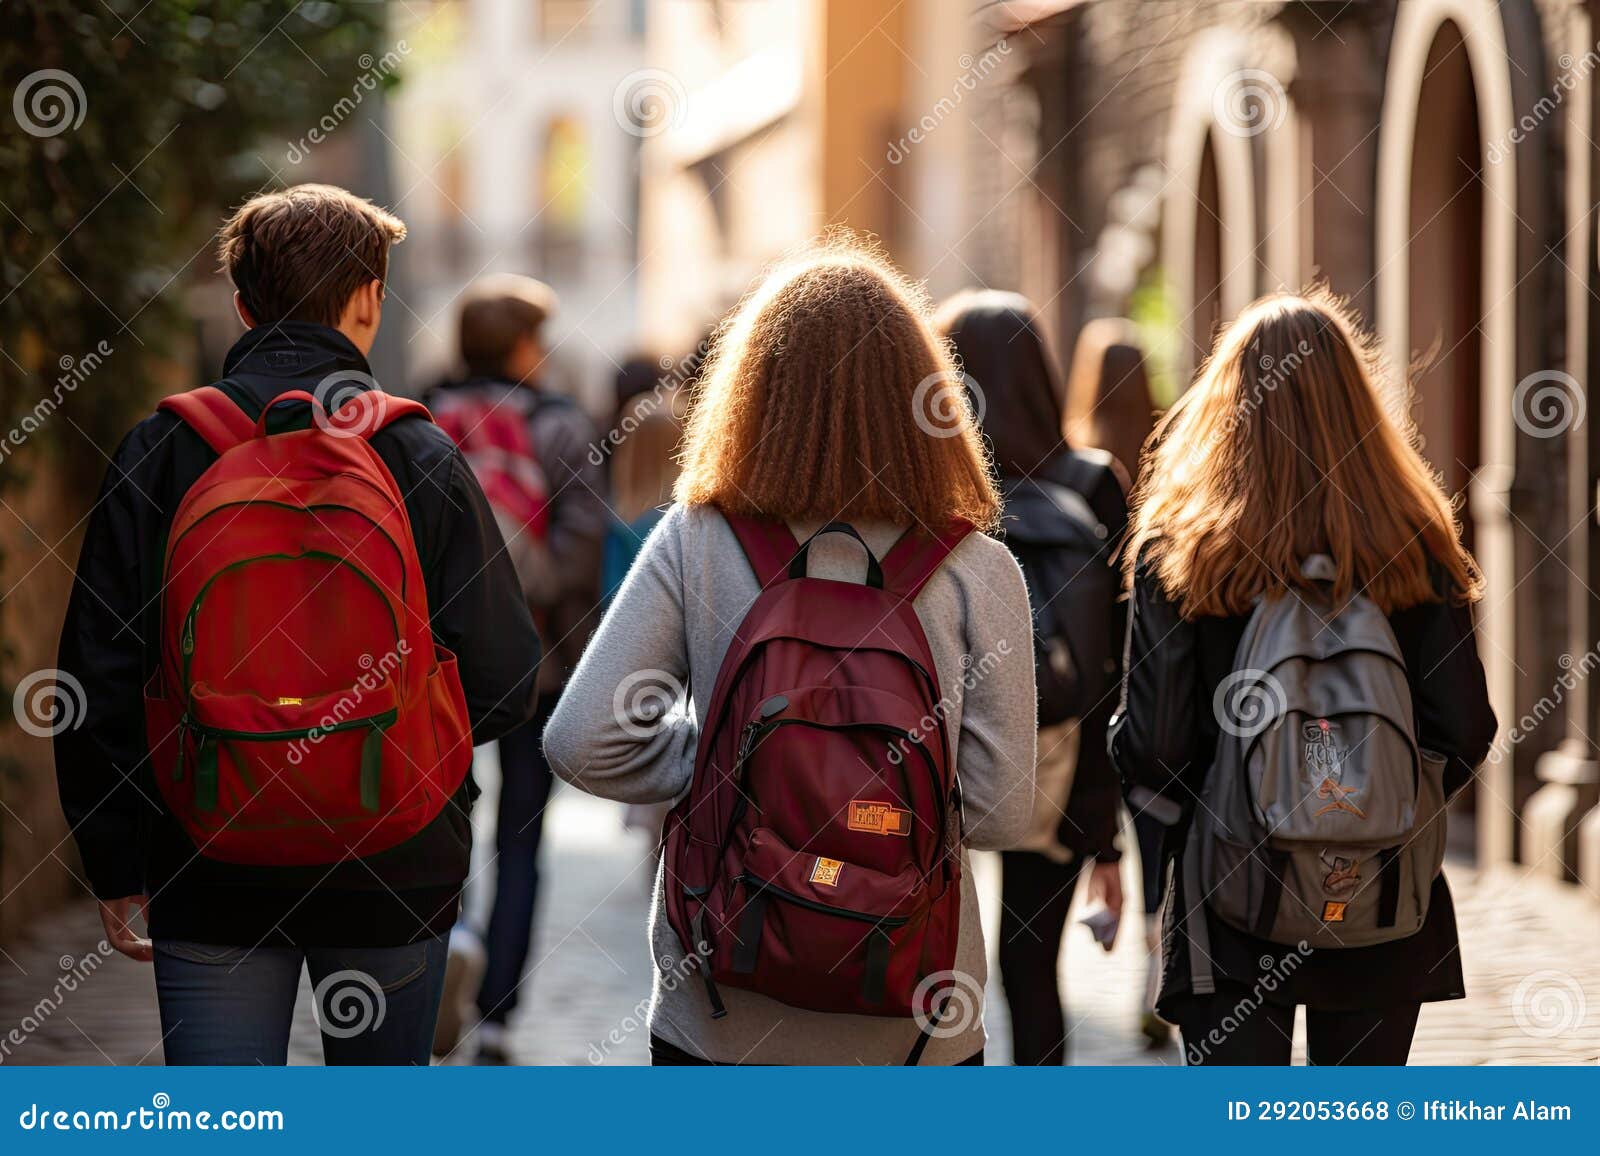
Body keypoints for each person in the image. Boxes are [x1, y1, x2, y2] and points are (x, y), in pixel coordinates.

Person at [54, 184, 541, 1065]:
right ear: (368, 298)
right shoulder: (416, 454)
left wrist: (117, 859)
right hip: (393, 858)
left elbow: (97, 673)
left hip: (210, 854)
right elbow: (507, 681)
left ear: (242, 304)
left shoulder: (161, 451)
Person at [543, 240, 1036, 1065]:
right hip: (917, 1022)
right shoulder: (979, 570)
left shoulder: (697, 543)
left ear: (751, 393)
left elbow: (581, 738)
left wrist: (733, 764)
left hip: (722, 1009)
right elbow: (1002, 811)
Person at [1107, 288, 1495, 1066]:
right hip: (1384, 898)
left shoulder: (1181, 550)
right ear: (1362, 405)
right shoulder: (1416, 543)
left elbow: (1154, 745)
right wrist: (1366, 804)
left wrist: (1237, 804)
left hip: (1230, 904)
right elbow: (1466, 726)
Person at [936, 291, 1127, 1065]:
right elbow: (1119, 659)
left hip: (933, 747)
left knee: (933, 966)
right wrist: (1106, 829)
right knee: (1031, 968)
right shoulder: (1092, 484)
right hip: (1061, 755)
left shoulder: (931, 489)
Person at [435, 274, 609, 1063]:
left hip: (435, 665)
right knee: (521, 835)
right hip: (536, 663)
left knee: (436, 823)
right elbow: (581, 552)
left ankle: (446, 955)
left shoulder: (420, 419)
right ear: (518, 346)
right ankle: (499, 1010)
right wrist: (522, 583)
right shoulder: (563, 428)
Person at [1061, 316, 1172, 1046]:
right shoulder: (1171, 464)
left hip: (1092, 694)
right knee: (1161, 839)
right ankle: (1157, 976)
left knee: (1103, 841)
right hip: (1158, 684)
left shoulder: (1079, 469)